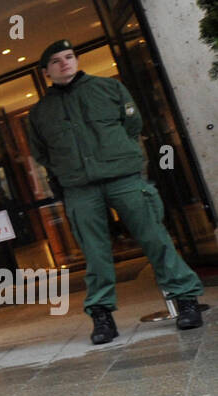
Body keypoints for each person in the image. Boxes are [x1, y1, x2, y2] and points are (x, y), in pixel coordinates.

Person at [25, 39, 204, 342]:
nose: (65, 63)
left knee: (155, 239)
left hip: (123, 178)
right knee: (95, 254)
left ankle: (185, 299)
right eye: (56, 61)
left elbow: (132, 126)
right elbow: (41, 153)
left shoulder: (109, 89)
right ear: (46, 72)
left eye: (69, 57)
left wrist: (116, 154)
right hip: (80, 188)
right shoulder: (40, 112)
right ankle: (102, 315)